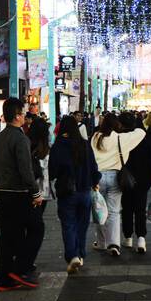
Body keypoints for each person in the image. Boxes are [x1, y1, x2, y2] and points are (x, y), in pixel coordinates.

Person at [0, 97, 43, 291]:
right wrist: (35, 192)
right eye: (23, 113)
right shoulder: (20, 138)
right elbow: (25, 169)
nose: (25, 117)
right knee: (37, 228)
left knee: (8, 237)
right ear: (17, 116)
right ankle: (22, 268)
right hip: (18, 194)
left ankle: (4, 279)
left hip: (1, 193)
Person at [90, 112, 146, 257]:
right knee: (114, 211)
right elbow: (141, 132)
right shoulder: (121, 138)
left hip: (98, 177)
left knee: (99, 210)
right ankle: (114, 243)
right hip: (116, 177)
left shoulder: (95, 137)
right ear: (117, 125)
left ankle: (101, 242)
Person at [49, 116, 100, 274]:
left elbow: (52, 171)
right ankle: (80, 253)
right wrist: (95, 181)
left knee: (68, 224)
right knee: (82, 225)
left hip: (67, 192)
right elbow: (93, 167)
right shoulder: (84, 144)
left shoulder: (58, 146)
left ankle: (72, 256)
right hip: (84, 191)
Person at [122, 112, 151, 253]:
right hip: (143, 179)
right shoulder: (144, 139)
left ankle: (127, 237)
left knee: (126, 208)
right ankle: (141, 239)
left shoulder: (121, 139)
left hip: (125, 179)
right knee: (140, 209)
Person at [26, 114, 51, 276]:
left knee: (30, 227)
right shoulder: (44, 149)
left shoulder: (27, 145)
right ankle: (26, 261)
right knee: (35, 227)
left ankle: (26, 259)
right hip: (40, 193)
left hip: (32, 192)